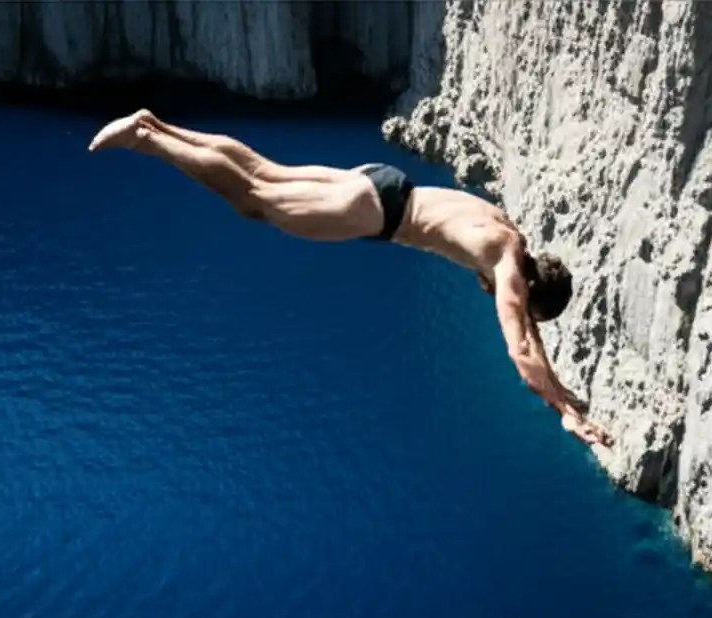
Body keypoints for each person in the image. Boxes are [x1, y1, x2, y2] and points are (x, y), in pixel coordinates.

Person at [88, 110, 612, 447]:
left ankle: (157, 125)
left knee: (264, 170)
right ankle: (147, 140)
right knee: (253, 199)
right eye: (526, 304)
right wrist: (561, 410)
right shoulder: (504, 265)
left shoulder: (509, 233)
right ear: (530, 290)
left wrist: (562, 388)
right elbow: (520, 348)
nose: (508, 301)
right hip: (376, 213)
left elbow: (530, 332)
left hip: (381, 180)